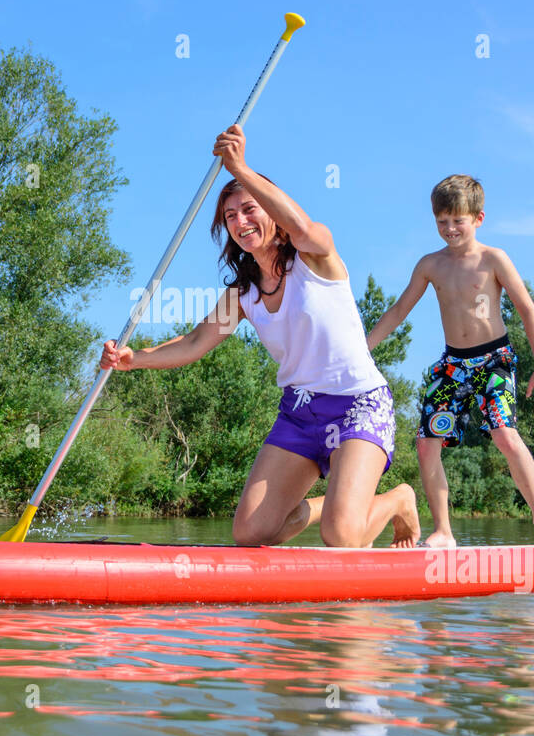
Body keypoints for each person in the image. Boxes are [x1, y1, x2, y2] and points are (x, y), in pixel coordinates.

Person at [100, 125, 419, 548]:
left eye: (249, 209)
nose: (240, 221)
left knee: (341, 538)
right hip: (300, 411)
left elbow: (301, 227)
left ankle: (399, 499)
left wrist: (241, 169)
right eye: (230, 216)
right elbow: (195, 343)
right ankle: (333, 506)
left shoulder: (315, 255)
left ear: (272, 212)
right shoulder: (243, 293)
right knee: (251, 534)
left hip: (358, 404)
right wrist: (132, 358)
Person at [366, 174, 534, 547]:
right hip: (453, 365)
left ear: (478, 219)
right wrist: (366, 347)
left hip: (494, 360)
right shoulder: (430, 265)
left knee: (504, 434)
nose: (450, 229)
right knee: (427, 443)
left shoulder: (493, 259)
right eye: (442, 221)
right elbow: (399, 310)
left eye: (458, 220)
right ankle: (443, 531)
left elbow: (528, 310)